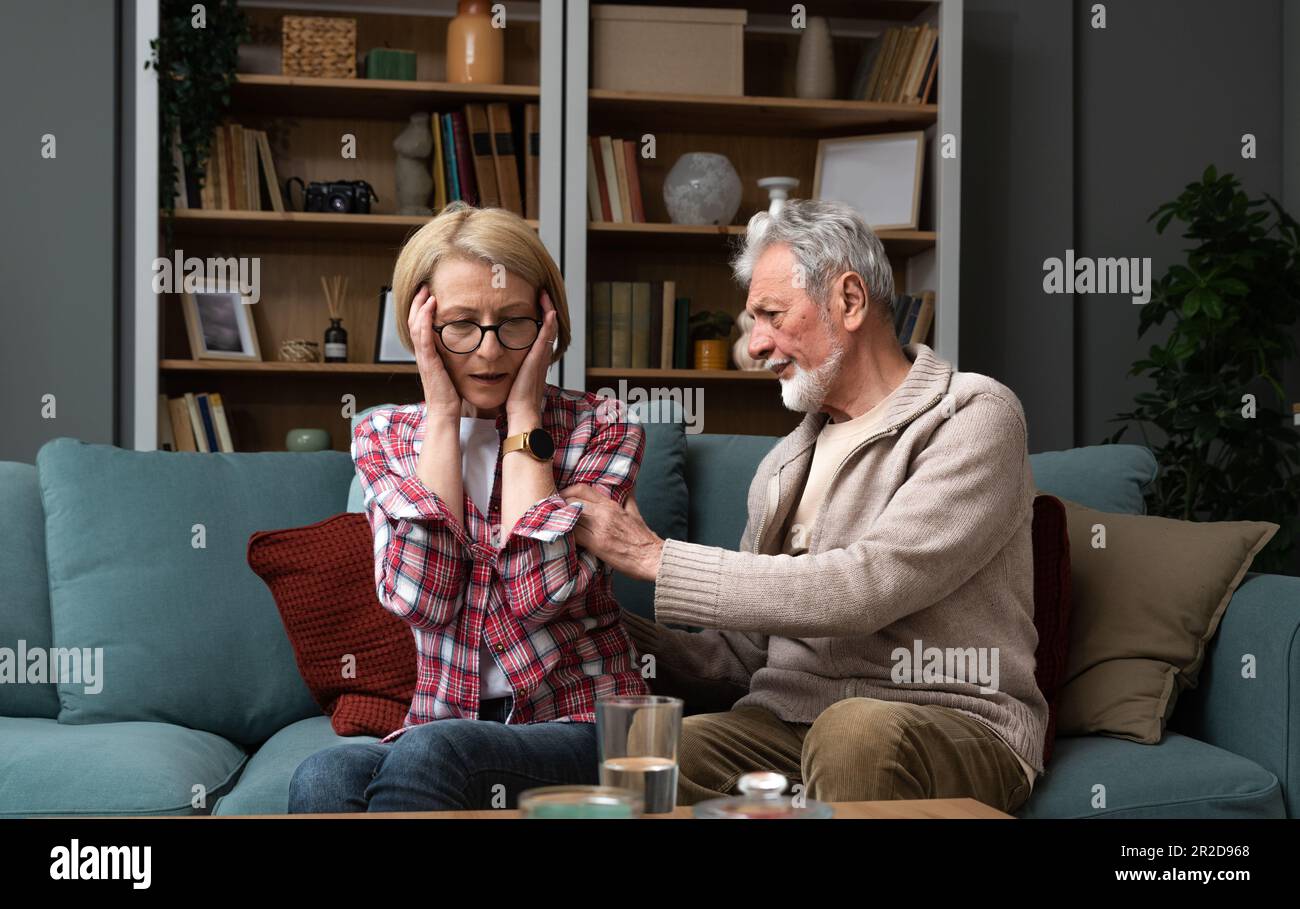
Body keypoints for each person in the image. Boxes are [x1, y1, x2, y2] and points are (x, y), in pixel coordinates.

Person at [561, 198, 1047, 815]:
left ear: (848, 300)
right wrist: (589, 615)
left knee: (855, 733)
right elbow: (737, 660)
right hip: (784, 725)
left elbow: (866, 586)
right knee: (644, 756)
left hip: (952, 718)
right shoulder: (783, 466)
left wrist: (652, 556)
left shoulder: (973, 417)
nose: (756, 346)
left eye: (770, 315)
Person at [288, 202, 648, 813]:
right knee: (324, 777)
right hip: (440, 721)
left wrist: (526, 418)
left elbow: (542, 595)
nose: (488, 353)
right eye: (460, 324)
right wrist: (443, 420)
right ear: (421, 326)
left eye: (512, 323)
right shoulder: (385, 435)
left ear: (546, 323)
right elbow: (421, 600)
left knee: (438, 753)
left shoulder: (602, 428)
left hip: (583, 725)